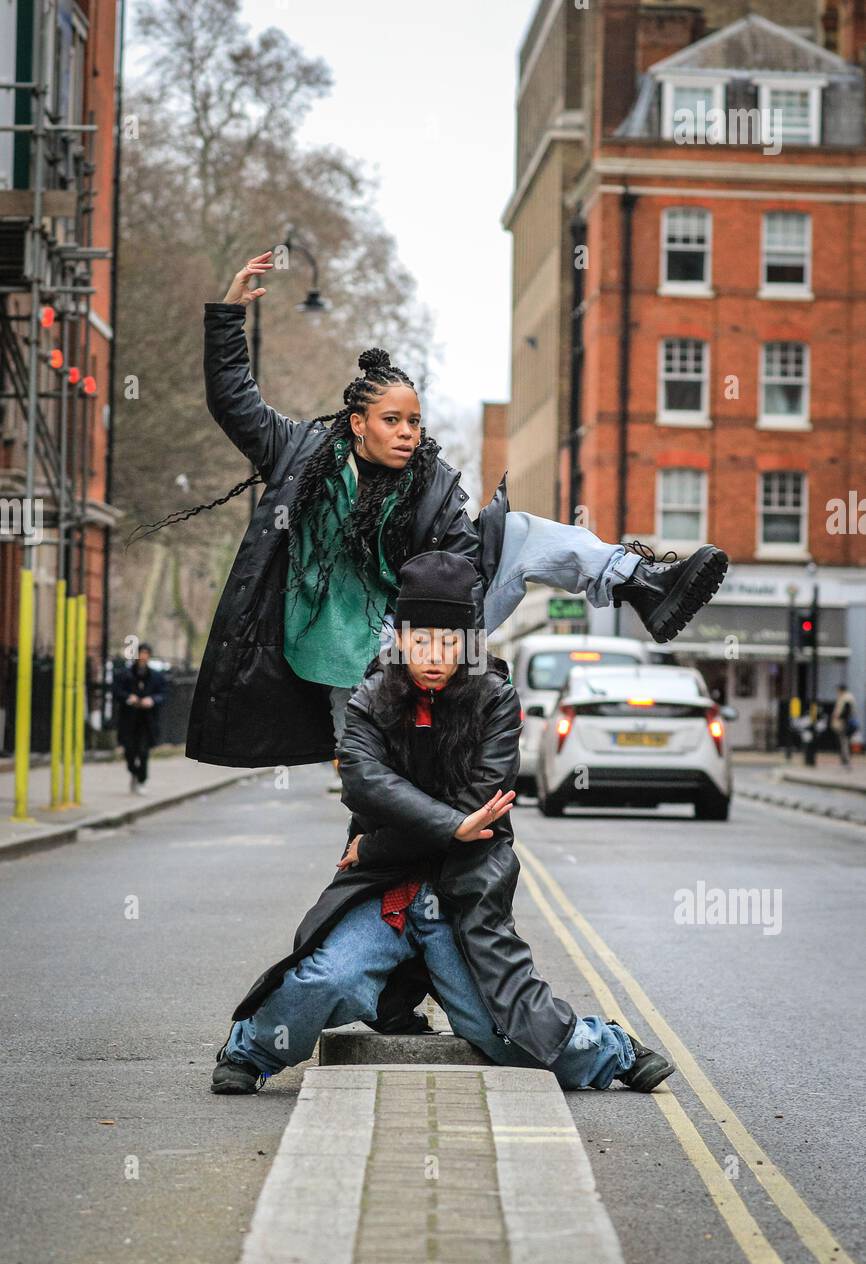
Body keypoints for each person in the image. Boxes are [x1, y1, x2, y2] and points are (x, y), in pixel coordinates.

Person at [127, 249, 729, 771]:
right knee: (372, 771)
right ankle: (373, 858)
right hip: (342, 652)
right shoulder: (299, 454)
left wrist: (439, 641)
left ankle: (643, 582)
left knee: (517, 532)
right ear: (358, 424)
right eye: (393, 421)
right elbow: (233, 398)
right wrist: (228, 315)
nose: (408, 432)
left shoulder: (433, 485)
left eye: (415, 420)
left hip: (428, 629)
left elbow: (460, 569)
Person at [211, 551, 675, 1097]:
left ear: (470, 643)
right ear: (401, 638)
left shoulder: (497, 699)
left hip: (464, 887)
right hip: (385, 892)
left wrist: (377, 846)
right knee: (327, 978)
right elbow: (365, 783)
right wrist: (446, 829)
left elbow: (480, 801)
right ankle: (248, 1050)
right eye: (422, 639)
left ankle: (612, 1050)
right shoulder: (369, 698)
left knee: (500, 1032)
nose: (435, 654)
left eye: (450, 640)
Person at [114, 643, 166, 794]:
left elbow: (163, 694)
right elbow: (117, 691)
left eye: (146, 654)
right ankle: (134, 772)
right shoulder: (125, 674)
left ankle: (141, 779)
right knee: (129, 751)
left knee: (143, 752)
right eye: (141, 653)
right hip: (129, 720)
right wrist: (129, 698)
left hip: (146, 721)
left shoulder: (156, 676)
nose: (143, 657)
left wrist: (152, 700)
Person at [830, 683, 858, 767]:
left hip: (845, 724)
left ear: (841, 690)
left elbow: (846, 711)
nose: (837, 692)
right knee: (844, 742)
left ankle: (846, 761)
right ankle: (844, 761)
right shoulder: (845, 697)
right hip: (844, 723)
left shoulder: (846, 698)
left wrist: (839, 718)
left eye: (838, 690)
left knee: (845, 742)